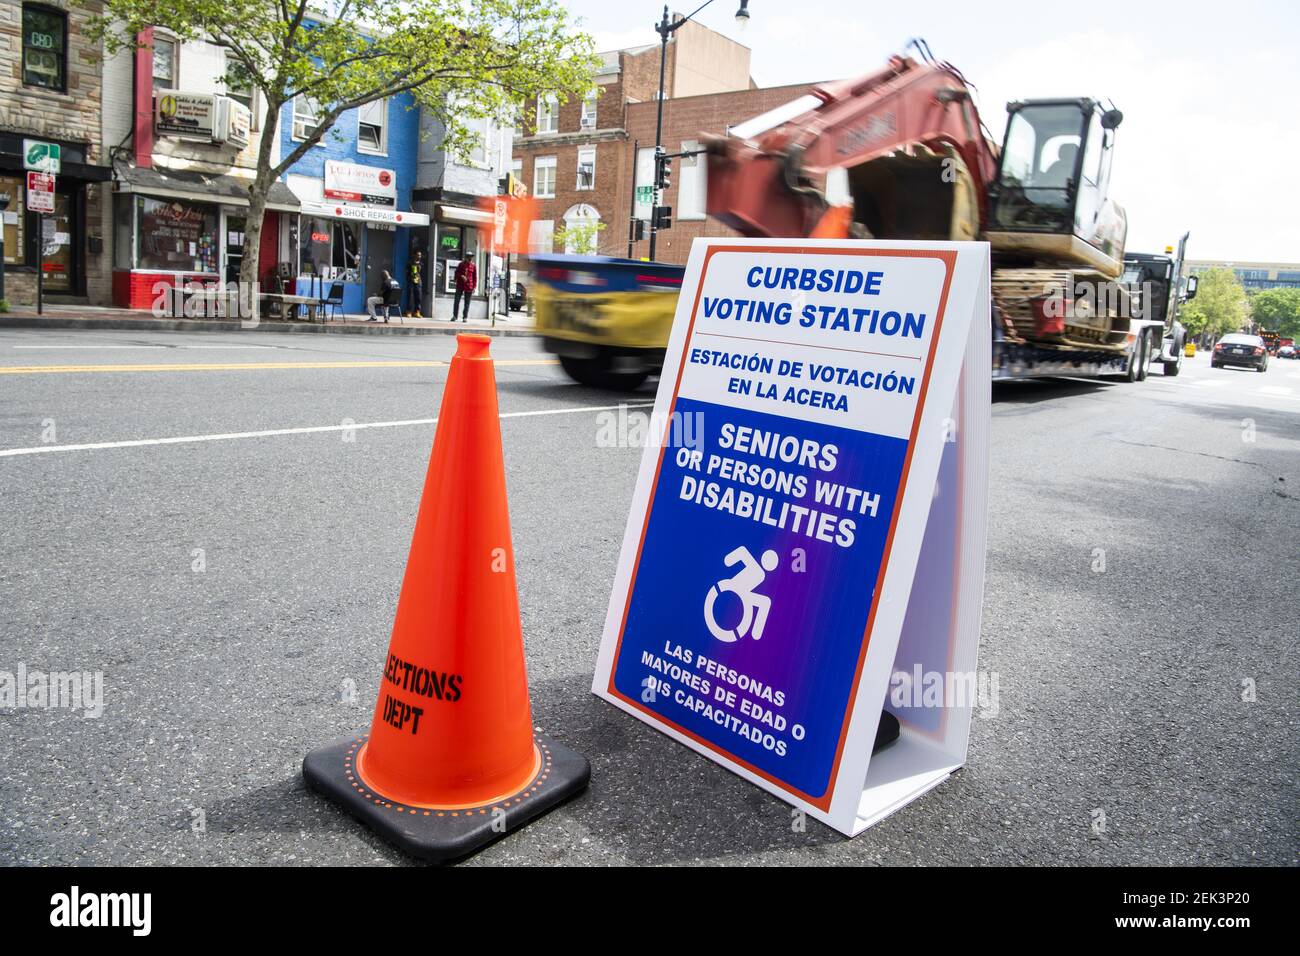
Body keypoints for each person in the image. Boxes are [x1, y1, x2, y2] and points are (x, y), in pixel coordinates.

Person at [452, 257, 477, 322]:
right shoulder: (461, 264)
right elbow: (456, 273)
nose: (469, 260)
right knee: (457, 301)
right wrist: (461, 276)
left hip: (469, 286)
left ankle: (465, 317)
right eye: (468, 258)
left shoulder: (473, 266)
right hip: (460, 285)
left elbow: (475, 277)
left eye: (470, 258)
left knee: (467, 303)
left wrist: (474, 287)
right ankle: (455, 316)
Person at [407, 251, 424, 318]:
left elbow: (422, 273)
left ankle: (417, 312)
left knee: (418, 296)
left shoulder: (421, 264)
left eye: (420, 255)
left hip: (418, 281)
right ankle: (409, 311)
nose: (419, 257)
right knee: (410, 296)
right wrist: (409, 278)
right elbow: (407, 272)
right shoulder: (410, 263)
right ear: (414, 255)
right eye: (418, 255)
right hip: (411, 281)